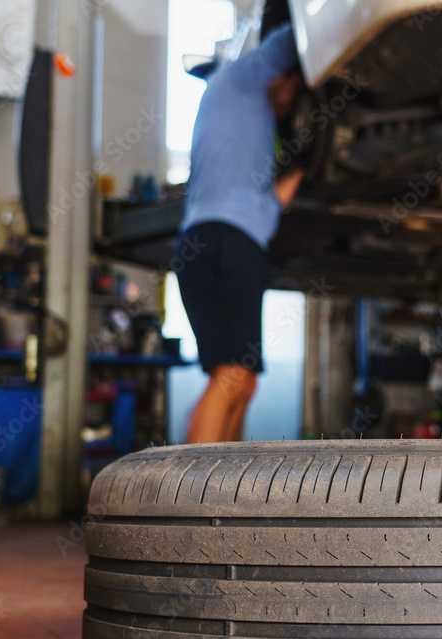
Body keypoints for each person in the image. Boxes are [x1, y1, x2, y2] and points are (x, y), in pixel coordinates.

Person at [175, 25, 306, 443]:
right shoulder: (240, 79)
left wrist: (307, 163)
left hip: (229, 244)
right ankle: (188, 498)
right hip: (221, 242)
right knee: (232, 376)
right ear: (286, 76)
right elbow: (294, 38)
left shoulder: (251, 126)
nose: (291, 109)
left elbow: (271, 205)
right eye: (296, 95)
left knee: (243, 381)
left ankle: (222, 495)